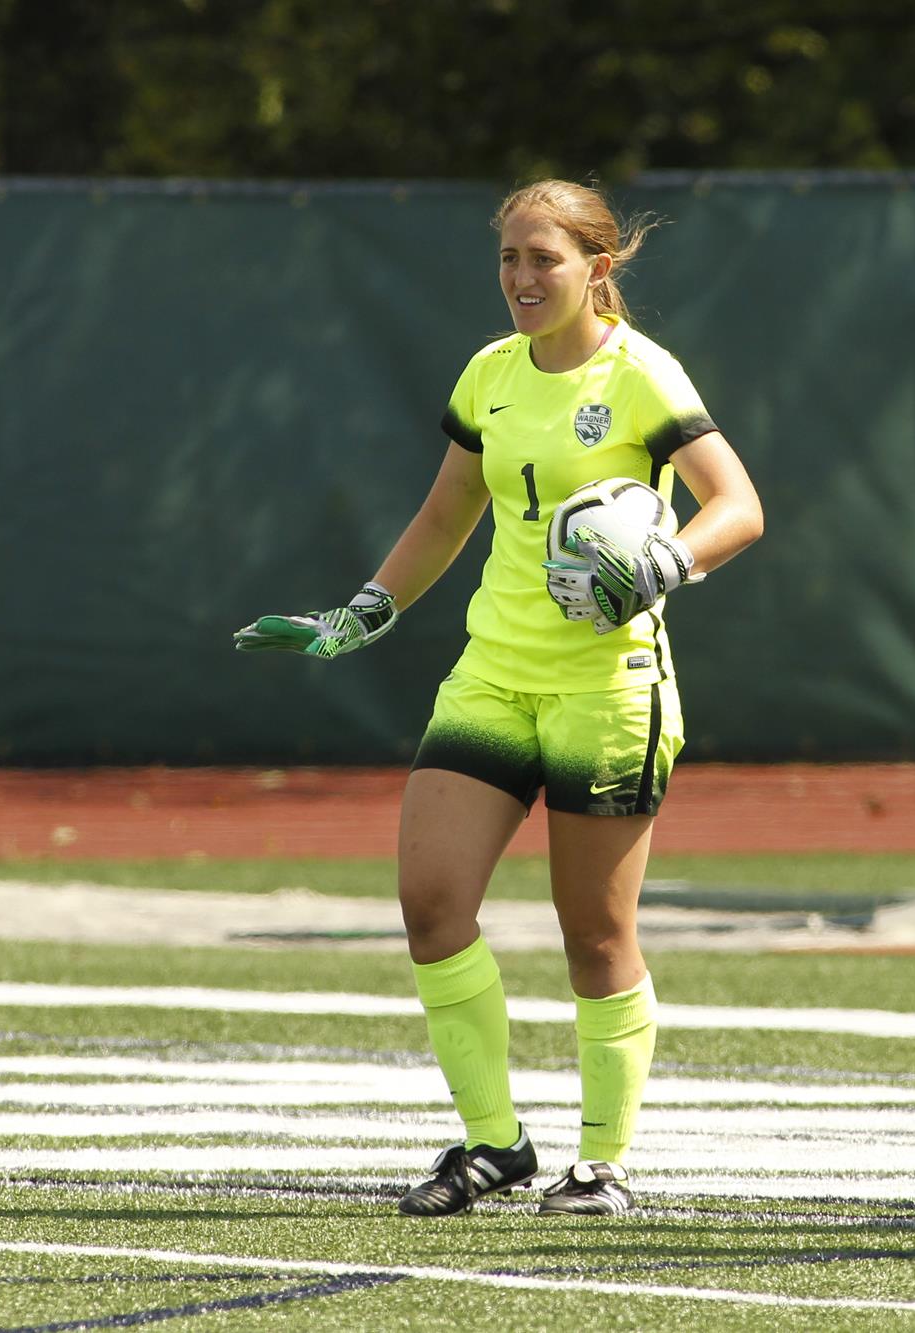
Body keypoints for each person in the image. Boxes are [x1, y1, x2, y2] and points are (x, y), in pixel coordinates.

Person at [235, 179, 763, 1218]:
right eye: (509, 259)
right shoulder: (489, 373)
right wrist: (358, 616)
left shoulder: (642, 374)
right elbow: (445, 515)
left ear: (596, 269)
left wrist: (666, 563)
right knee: (430, 905)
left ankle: (603, 1162)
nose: (522, 277)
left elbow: (737, 506)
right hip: (491, 674)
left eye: (544, 259)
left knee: (594, 934)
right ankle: (493, 1142)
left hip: (606, 687)